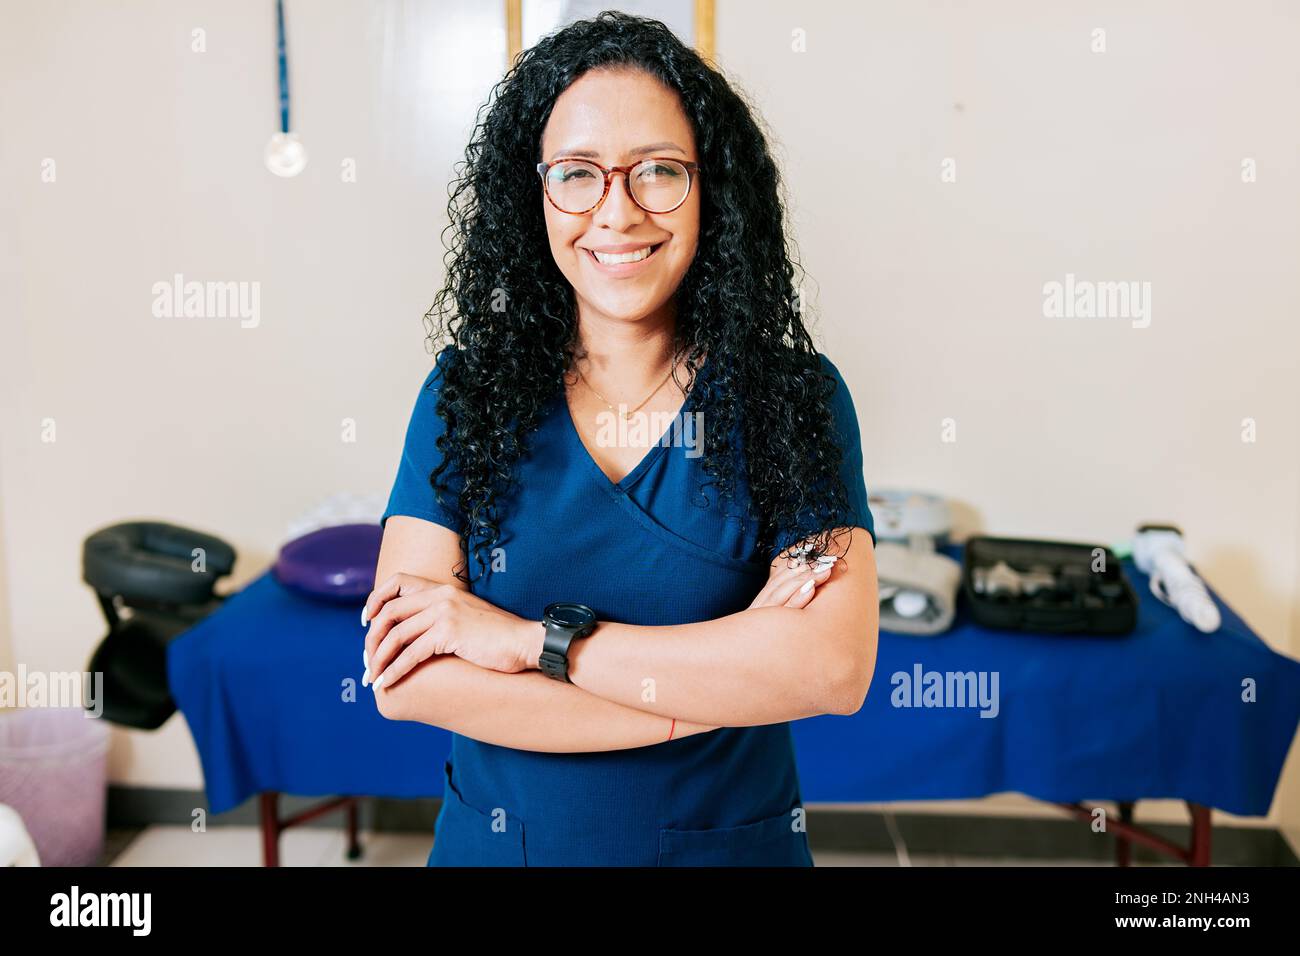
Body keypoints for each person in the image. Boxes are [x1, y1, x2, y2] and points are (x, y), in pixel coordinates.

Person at [363, 11, 878, 867]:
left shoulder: (794, 398)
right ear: (534, 196)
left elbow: (830, 667)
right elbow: (409, 678)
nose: (618, 211)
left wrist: (528, 642)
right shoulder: (467, 394)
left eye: (659, 172)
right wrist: (708, 696)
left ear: (713, 189)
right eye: (577, 174)